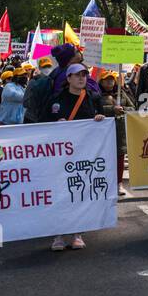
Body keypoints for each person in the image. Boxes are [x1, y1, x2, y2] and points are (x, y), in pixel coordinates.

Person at [43, 63, 106, 250]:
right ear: (68, 78)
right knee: (60, 192)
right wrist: (56, 122)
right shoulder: (57, 99)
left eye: (84, 75)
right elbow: (43, 122)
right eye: (77, 75)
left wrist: (100, 119)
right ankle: (58, 236)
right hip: (61, 155)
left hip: (85, 154)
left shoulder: (93, 98)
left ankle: (78, 233)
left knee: (80, 191)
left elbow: (102, 119)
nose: (81, 78)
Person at [96, 70, 127, 188]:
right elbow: (97, 110)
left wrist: (122, 109)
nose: (110, 82)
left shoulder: (122, 93)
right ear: (101, 81)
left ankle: (119, 183)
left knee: (120, 157)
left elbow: (132, 107)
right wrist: (112, 109)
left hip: (120, 131)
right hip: (104, 132)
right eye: (106, 79)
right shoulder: (96, 95)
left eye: (112, 79)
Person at [22, 56, 57, 123]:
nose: (47, 69)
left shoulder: (53, 81)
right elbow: (25, 102)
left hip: (45, 119)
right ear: (40, 68)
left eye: (48, 66)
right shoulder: (33, 82)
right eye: (44, 67)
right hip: (31, 118)